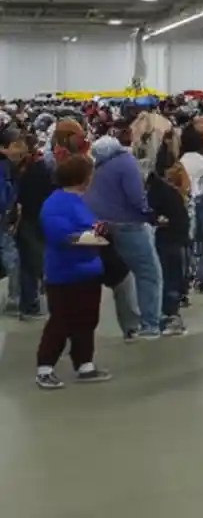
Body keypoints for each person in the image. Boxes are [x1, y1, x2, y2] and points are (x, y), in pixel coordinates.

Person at [36, 154, 111, 388]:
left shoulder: (79, 201)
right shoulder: (55, 204)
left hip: (88, 270)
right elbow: (58, 235)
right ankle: (45, 367)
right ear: (82, 179)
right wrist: (85, 237)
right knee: (61, 320)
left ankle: (84, 362)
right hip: (65, 272)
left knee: (87, 319)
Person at [83, 136, 157, 340]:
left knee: (120, 277)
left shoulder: (96, 167)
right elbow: (136, 196)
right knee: (148, 273)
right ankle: (150, 325)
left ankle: (130, 326)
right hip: (128, 224)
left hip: (100, 225)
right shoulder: (126, 162)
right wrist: (149, 214)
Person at [148, 155, 191, 336]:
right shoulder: (173, 196)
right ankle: (170, 316)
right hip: (173, 240)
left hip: (165, 238)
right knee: (172, 276)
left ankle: (162, 315)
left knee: (165, 277)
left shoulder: (157, 192)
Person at [14, 133, 53, 319]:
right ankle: (29, 305)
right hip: (36, 220)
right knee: (34, 264)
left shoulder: (18, 170)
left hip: (26, 219)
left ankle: (28, 303)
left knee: (27, 265)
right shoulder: (41, 170)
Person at [179, 123, 203, 294]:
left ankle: (188, 276)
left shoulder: (180, 161)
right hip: (202, 201)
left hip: (185, 201)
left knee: (187, 241)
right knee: (202, 241)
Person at [1, 128, 31, 317]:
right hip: (3, 219)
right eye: (15, 145)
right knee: (12, 259)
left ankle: (14, 297)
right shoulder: (5, 168)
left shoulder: (12, 167)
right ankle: (14, 298)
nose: (20, 149)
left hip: (6, 218)